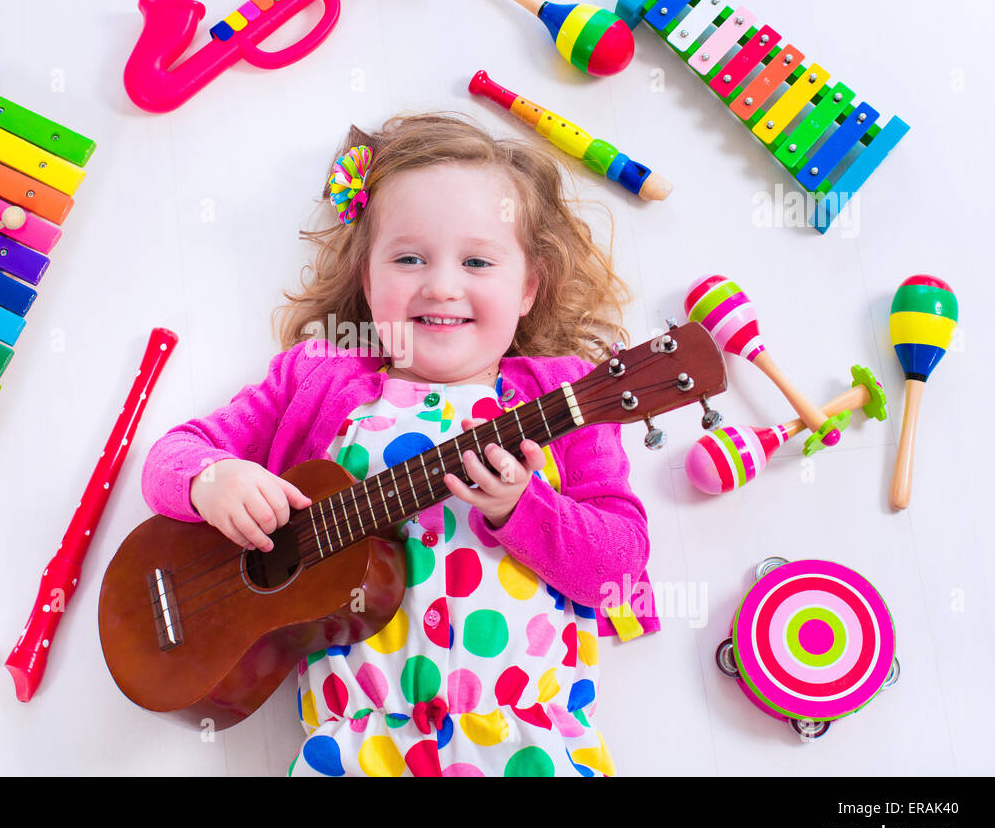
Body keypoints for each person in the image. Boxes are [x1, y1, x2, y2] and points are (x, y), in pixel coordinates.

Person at [141, 113, 659, 776]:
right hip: (356, 747)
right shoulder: (318, 376)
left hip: (526, 742)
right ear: (367, 279)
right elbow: (171, 457)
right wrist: (213, 481)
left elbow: (619, 571)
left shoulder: (565, 398)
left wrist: (522, 508)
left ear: (528, 286)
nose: (441, 285)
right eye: (409, 258)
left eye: (477, 261)